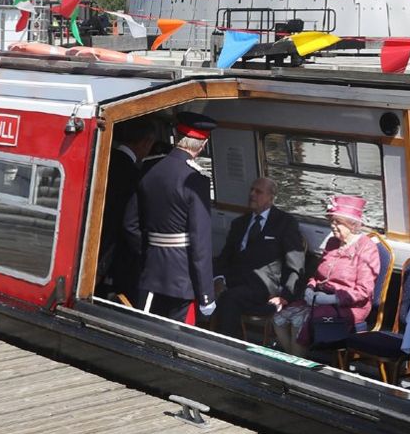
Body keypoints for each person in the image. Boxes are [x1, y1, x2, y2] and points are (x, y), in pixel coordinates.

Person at [123, 118, 217, 324]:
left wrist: (150, 252)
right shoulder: (196, 179)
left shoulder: (149, 169)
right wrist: (206, 295)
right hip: (182, 280)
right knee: (179, 340)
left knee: (146, 331)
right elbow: (200, 245)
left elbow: (130, 223)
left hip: (150, 273)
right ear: (202, 145)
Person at [271, 194, 380, 356]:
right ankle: (296, 365)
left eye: (338, 222)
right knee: (279, 318)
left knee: (298, 321)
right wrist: (310, 288)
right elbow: (318, 275)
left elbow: (363, 292)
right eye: (331, 222)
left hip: (349, 307)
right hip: (320, 299)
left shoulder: (367, 248)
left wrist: (332, 299)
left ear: (352, 224)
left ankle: (297, 370)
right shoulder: (332, 242)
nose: (333, 226)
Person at [213, 176, 306, 337]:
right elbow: (225, 256)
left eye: (258, 192)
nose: (252, 195)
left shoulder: (284, 223)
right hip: (234, 279)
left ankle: (228, 345)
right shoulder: (240, 223)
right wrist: (218, 279)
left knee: (229, 298)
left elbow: (296, 265)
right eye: (251, 190)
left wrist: (285, 297)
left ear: (271, 197)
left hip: (264, 286)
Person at [95, 116, 158, 297]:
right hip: (113, 252)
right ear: (146, 142)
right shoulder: (133, 175)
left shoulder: (103, 159)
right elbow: (123, 222)